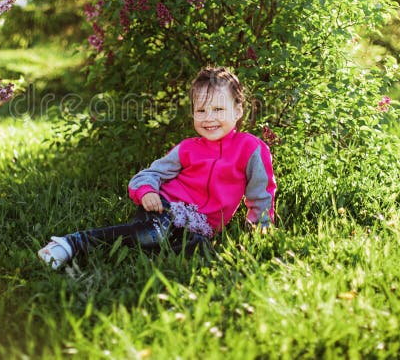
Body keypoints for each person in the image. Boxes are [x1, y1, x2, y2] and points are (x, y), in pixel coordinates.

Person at [37, 66, 276, 269]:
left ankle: (143, 249)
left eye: (218, 109)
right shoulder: (187, 149)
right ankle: (72, 243)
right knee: (154, 232)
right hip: (164, 209)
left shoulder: (251, 149)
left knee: (199, 249)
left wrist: (260, 231)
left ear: (238, 111)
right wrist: (148, 193)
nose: (208, 118)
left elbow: (260, 194)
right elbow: (149, 175)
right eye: (201, 110)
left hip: (201, 226)